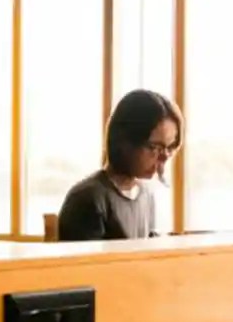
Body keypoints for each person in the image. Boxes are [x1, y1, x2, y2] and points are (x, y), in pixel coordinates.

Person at [57, 89, 181, 241]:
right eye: (154, 147)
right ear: (125, 141)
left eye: (169, 148)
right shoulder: (88, 199)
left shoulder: (146, 195)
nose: (164, 157)